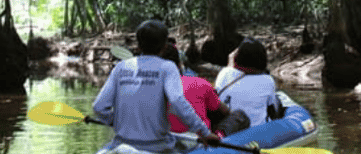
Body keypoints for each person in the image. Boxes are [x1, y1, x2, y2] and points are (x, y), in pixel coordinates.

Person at [91, 20, 222, 153]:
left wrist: (115, 122)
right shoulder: (168, 67)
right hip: (158, 147)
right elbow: (177, 101)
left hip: (121, 143)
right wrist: (204, 133)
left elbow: (99, 107)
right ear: (164, 46)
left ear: (138, 46)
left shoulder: (121, 67)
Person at [212, 37, 282, 134]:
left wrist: (231, 60)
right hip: (258, 133)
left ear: (237, 58)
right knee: (276, 99)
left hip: (229, 132)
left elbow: (230, 71)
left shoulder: (224, 74)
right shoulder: (268, 80)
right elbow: (273, 112)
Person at [159, 43, 229, 136]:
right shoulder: (199, 83)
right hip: (199, 140)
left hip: (162, 138)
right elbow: (224, 111)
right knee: (237, 116)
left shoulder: (147, 90)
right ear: (180, 64)